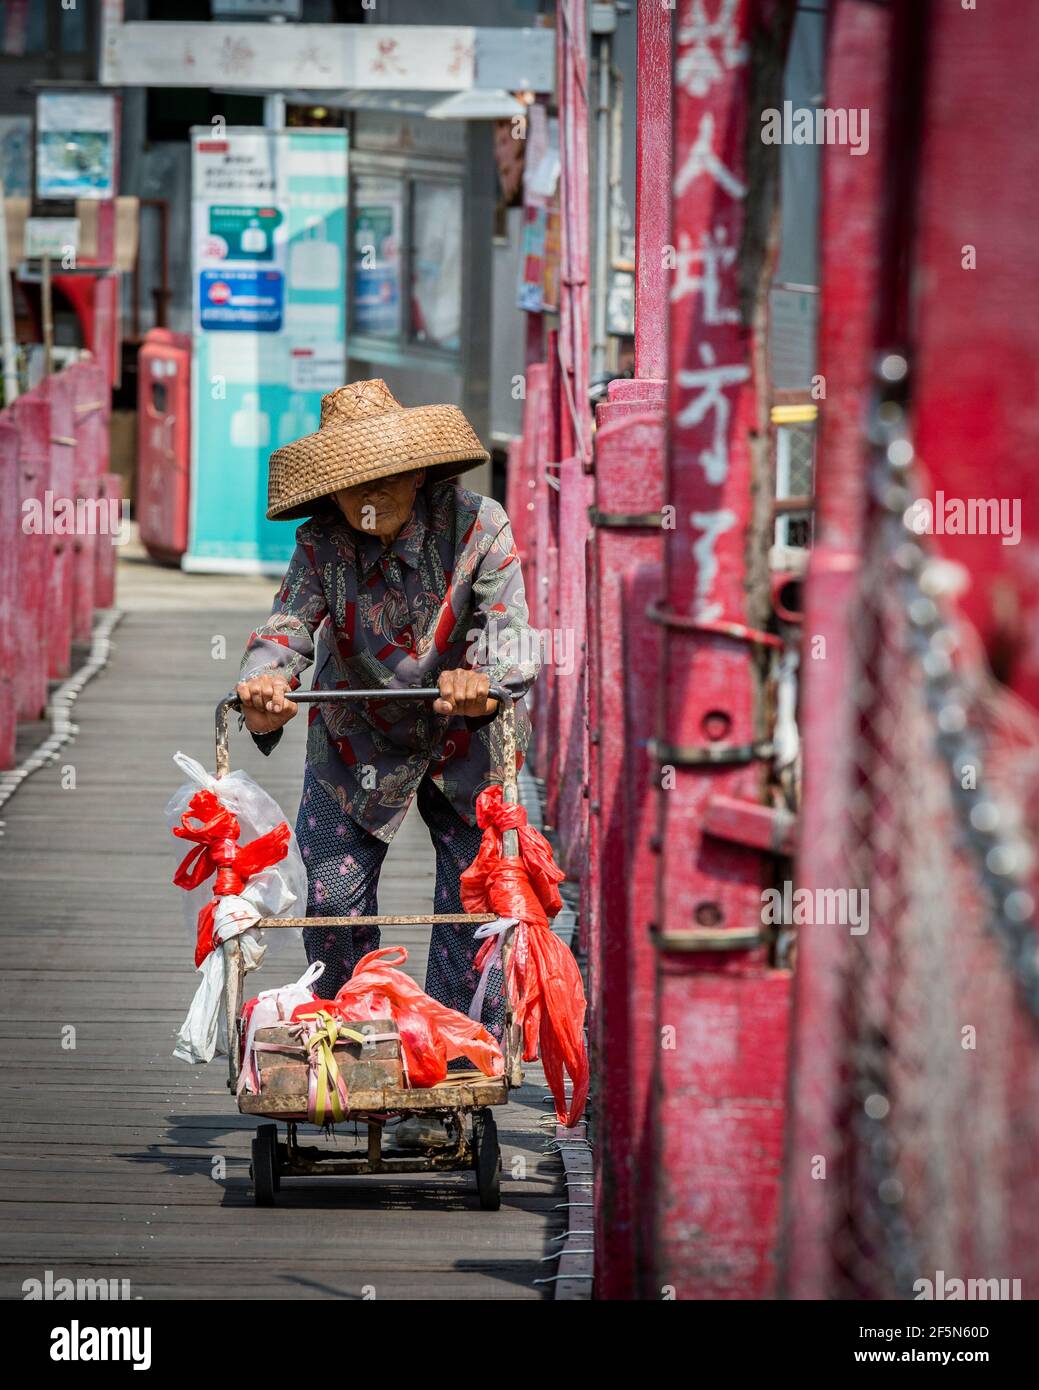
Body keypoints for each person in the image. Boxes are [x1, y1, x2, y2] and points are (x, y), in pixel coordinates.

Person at [236, 378, 540, 1072]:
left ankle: (457, 1056)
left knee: (473, 898)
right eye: (347, 487)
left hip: (463, 736)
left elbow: (512, 635)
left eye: (380, 481)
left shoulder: (478, 525)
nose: (364, 500)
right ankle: (355, 1046)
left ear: (417, 473)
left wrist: (482, 681)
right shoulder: (320, 544)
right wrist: (266, 681)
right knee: (332, 895)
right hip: (355, 737)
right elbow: (287, 625)